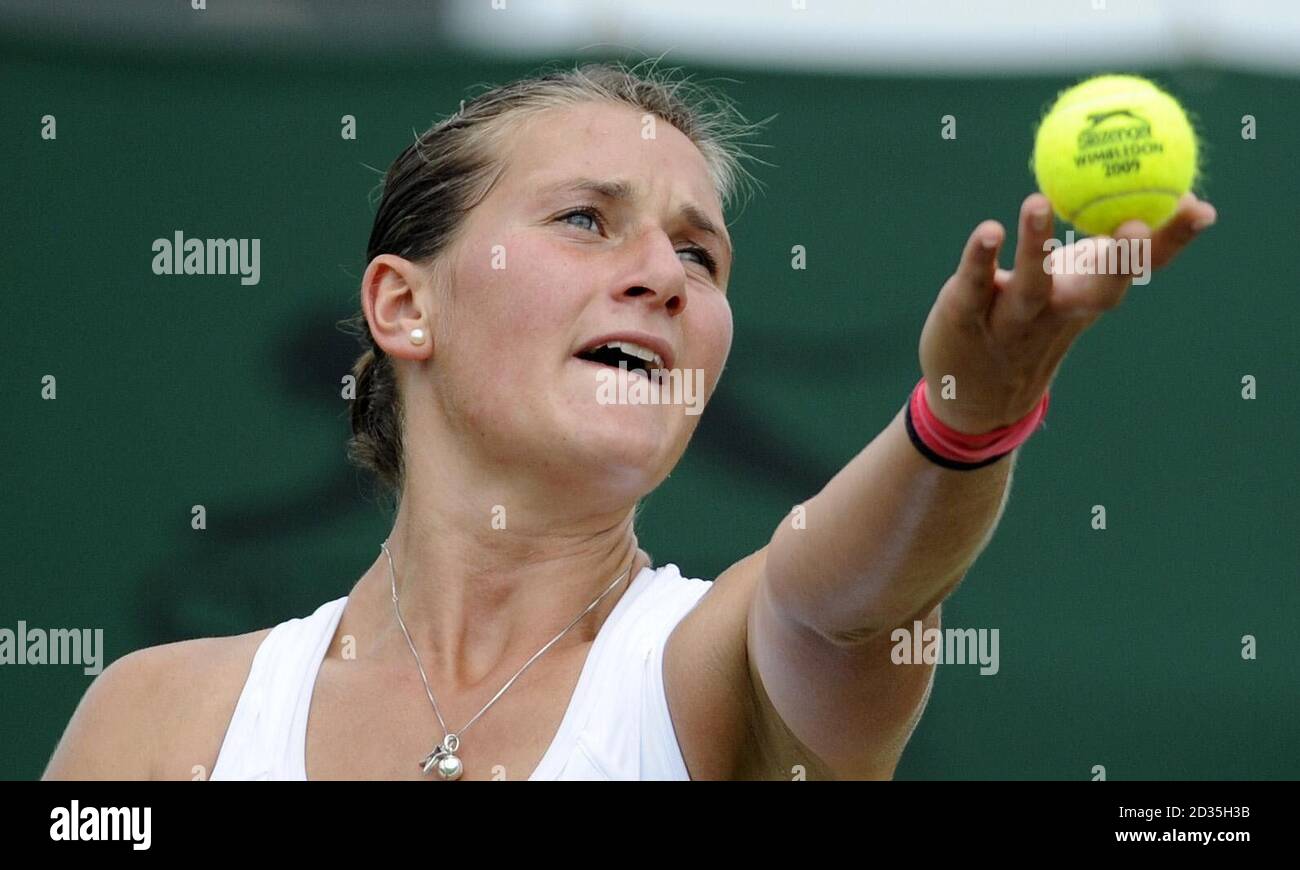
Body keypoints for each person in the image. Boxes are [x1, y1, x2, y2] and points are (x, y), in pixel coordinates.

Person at [43, 60, 1216, 781]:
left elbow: (849, 607)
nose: (665, 275)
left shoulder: (717, 669)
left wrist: (970, 412)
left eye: (700, 253)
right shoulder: (160, 718)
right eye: (586, 221)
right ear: (405, 305)